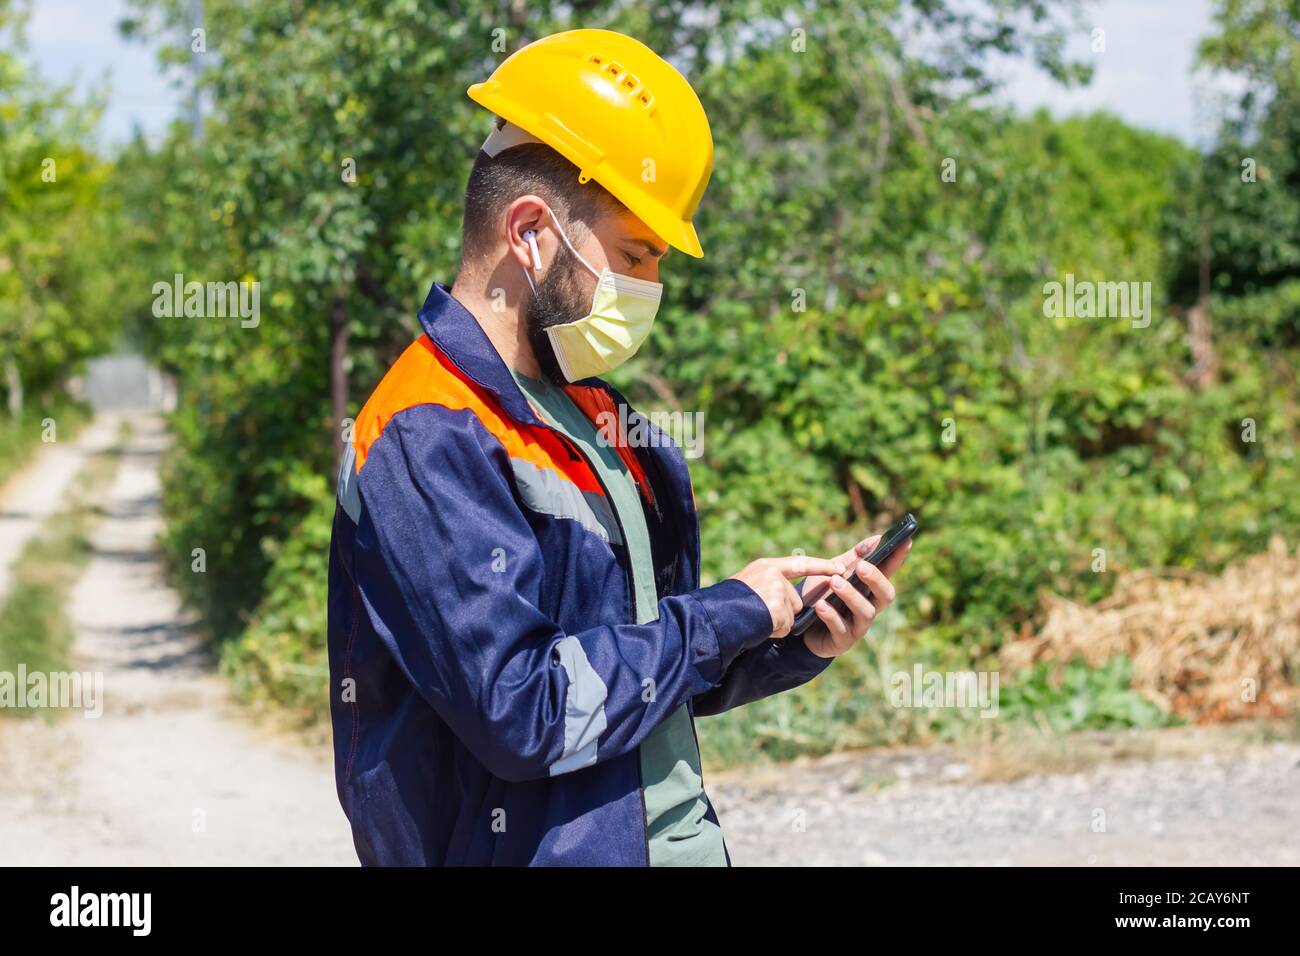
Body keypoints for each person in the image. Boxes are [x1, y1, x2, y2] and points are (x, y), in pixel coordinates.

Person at [327, 27, 911, 866]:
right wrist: (727, 613)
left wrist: (788, 638)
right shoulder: (427, 431)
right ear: (531, 232)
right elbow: (523, 712)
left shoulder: (600, 421)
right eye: (636, 254)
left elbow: (643, 677)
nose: (652, 289)